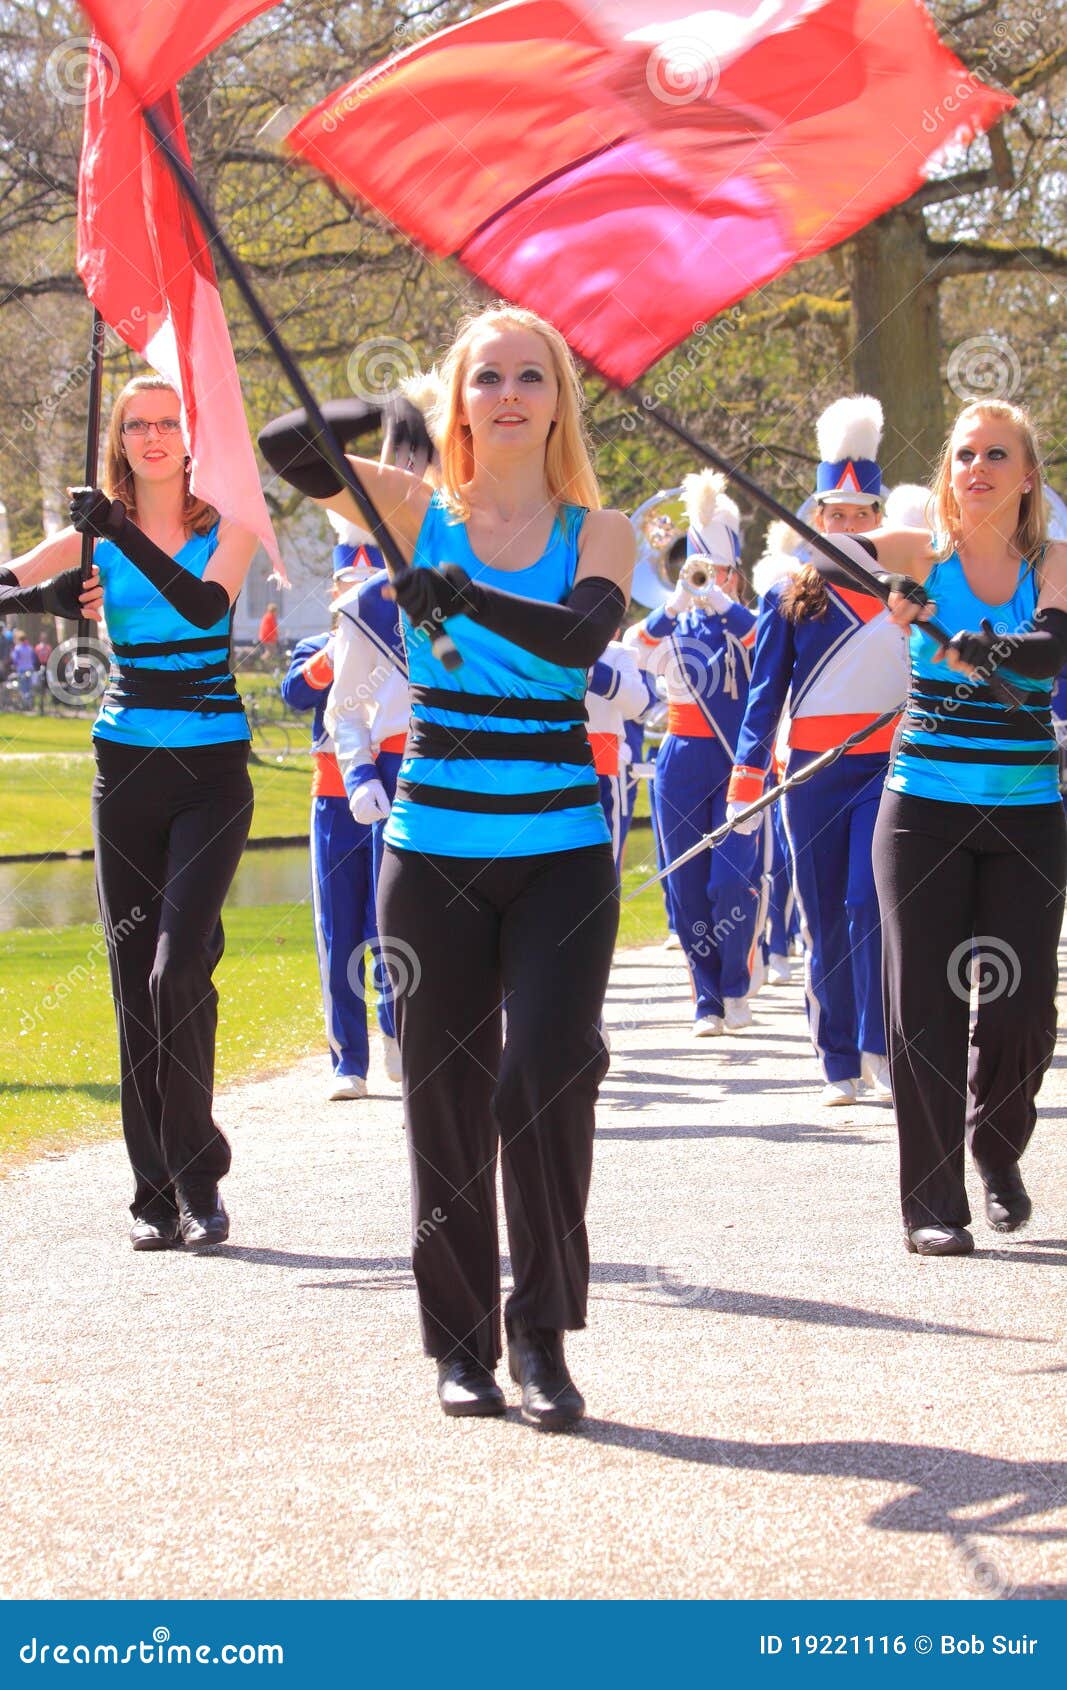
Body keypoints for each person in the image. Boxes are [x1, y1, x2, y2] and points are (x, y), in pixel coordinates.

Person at [260, 303, 634, 1428]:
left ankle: (541, 1333)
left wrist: (464, 596)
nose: (509, 395)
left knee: (546, 1080)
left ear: (559, 399)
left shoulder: (600, 530)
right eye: (486, 380)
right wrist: (398, 407)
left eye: (531, 377)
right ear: (459, 401)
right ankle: (460, 1342)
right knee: (443, 1099)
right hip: (431, 856)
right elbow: (286, 442)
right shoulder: (414, 508)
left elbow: (574, 641)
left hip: (562, 851)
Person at [6, 374, 259, 1250]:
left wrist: (114, 536)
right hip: (125, 770)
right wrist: (33, 600)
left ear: (192, 440)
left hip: (212, 771)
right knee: (132, 989)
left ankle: (200, 1177)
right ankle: (155, 1192)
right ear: (120, 440)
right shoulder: (91, 532)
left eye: (168, 423)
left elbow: (200, 606)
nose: (153, 437)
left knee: (176, 968)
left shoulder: (232, 524)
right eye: (137, 424)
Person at [827, 400, 1066, 1255]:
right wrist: (872, 581)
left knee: (1019, 1009)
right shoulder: (917, 552)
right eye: (963, 453)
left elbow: (1048, 648)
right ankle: (931, 1205)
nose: (977, 467)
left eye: (996, 454)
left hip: (1028, 812)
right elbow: (826, 558)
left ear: (1026, 475)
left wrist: (980, 648)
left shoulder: (1052, 562)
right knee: (921, 1003)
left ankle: (995, 1148)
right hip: (921, 808)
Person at [728, 397, 907, 1105]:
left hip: (889, 768)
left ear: (880, 519)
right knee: (823, 911)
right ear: (817, 519)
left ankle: (879, 1044)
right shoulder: (786, 596)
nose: (848, 525)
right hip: (809, 774)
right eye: (836, 514)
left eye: (862, 513)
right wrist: (745, 778)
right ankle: (835, 1057)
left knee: (871, 902)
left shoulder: (908, 593)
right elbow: (763, 695)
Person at [630, 472, 761, 1036]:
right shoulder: (672, 621)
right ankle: (705, 998)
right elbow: (636, 651)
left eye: (718, 570)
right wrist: (681, 598)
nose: (708, 578)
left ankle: (735, 982)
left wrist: (722, 601)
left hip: (737, 760)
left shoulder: (749, 620)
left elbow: (766, 643)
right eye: (699, 569)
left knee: (731, 880)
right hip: (681, 758)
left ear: (735, 572)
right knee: (684, 884)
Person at [281, 532, 395, 1101]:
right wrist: (343, 645)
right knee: (338, 930)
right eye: (348, 587)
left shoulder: (399, 637)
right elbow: (295, 694)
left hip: (390, 789)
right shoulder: (314, 646)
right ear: (334, 593)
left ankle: (398, 1031)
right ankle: (348, 1059)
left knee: (390, 921)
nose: (357, 595)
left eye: (366, 587)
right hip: (334, 799)